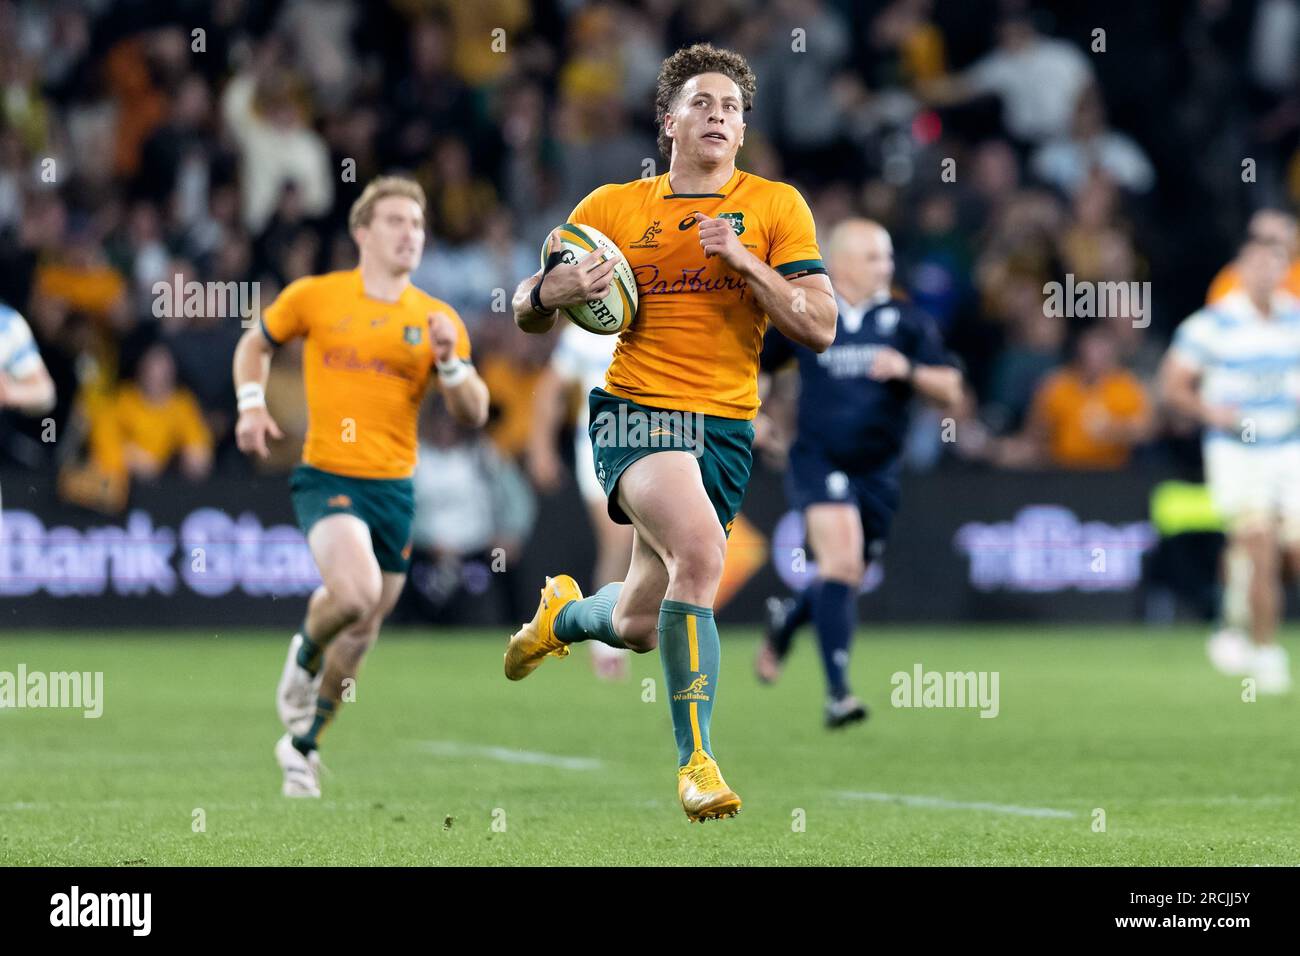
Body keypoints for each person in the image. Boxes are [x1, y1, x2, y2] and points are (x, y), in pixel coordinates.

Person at [506, 43, 837, 822]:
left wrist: (748, 264)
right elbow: (525, 304)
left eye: (732, 108)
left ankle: (562, 617)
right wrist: (551, 289)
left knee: (636, 624)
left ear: (743, 130)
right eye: (702, 103)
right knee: (703, 554)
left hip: (725, 428)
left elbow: (820, 326)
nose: (718, 116)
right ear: (669, 123)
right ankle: (698, 764)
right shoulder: (613, 208)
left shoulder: (776, 208)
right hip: (636, 411)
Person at [232, 176, 490, 796]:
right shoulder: (317, 296)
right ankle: (303, 653)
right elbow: (255, 344)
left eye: (418, 224)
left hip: (394, 491)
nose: (410, 234)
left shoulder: (435, 318)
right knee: (355, 594)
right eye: (397, 221)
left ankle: (302, 747)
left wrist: (451, 363)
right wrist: (250, 405)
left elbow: (475, 412)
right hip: (328, 476)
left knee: (361, 636)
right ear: (363, 233)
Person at [757, 219, 962, 725]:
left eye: (887, 256)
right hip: (818, 459)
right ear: (842, 263)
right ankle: (838, 694)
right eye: (874, 257)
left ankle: (788, 622)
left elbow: (952, 390)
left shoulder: (906, 320)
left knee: (845, 574)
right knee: (842, 565)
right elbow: (756, 364)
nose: (886, 267)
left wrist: (908, 370)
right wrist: (754, 416)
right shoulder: (809, 316)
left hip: (879, 472)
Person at [1160, 236, 1300, 694]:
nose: (1265, 273)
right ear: (1240, 269)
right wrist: (1211, 412)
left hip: (1289, 447)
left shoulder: (1295, 318)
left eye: (1273, 264)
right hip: (1238, 451)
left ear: (1283, 269)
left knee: (1289, 554)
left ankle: (1234, 614)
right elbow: (1172, 386)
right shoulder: (1213, 324)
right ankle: (1267, 651)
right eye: (1256, 264)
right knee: (1260, 540)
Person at [526, 323, 633, 680]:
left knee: (648, 548)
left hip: (654, 442)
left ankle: (616, 627)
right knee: (619, 542)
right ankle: (604, 644)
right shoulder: (590, 328)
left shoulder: (661, 315)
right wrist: (540, 448)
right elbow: (550, 388)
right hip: (602, 446)